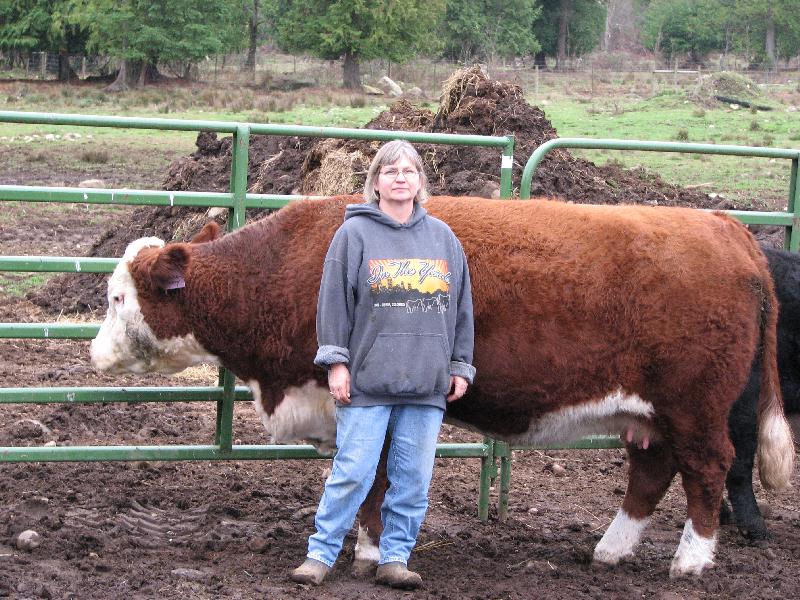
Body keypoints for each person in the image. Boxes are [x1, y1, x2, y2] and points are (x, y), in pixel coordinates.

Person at [291, 140, 475, 590]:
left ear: (420, 182)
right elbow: (332, 305)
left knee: (413, 478)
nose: (399, 177)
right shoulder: (352, 236)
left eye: (409, 171)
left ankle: (395, 557)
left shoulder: (443, 239)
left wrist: (460, 365)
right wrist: (336, 363)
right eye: (389, 170)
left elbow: (462, 308)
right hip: (368, 381)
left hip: (426, 382)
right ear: (375, 182)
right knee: (353, 471)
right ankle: (320, 554)